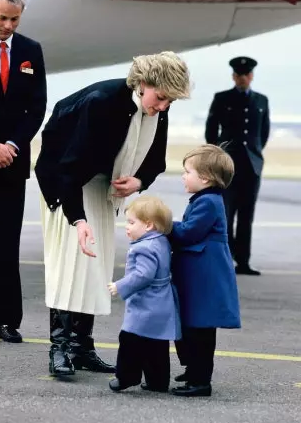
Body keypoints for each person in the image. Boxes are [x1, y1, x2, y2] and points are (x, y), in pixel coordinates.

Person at [35, 51, 190, 376]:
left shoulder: (156, 108)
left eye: (169, 102)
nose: (162, 106)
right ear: (144, 83)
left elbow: (155, 159)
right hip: (65, 181)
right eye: (160, 97)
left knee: (97, 262)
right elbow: (68, 167)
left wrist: (138, 180)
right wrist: (77, 219)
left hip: (101, 183)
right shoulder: (101, 102)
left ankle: (82, 347)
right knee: (70, 261)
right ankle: (59, 350)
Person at [0, 0, 47, 343]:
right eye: (3, 17)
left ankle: (5, 320)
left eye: (15, 19)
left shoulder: (30, 51)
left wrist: (11, 146)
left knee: (8, 243)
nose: (8, 25)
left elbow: (37, 107)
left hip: (13, 160)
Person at [169, 145, 241, 397]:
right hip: (199, 276)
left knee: (200, 331)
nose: (183, 176)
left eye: (187, 171)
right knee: (193, 328)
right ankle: (193, 372)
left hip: (205, 278)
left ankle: (201, 381)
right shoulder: (205, 199)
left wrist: (165, 225)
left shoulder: (208, 202)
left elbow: (188, 233)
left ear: (206, 178)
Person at [107, 196, 181, 393]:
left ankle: (126, 377)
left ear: (148, 225)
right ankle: (158, 381)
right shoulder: (161, 241)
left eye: (131, 222)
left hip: (146, 303)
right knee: (156, 343)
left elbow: (143, 275)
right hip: (162, 300)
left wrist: (120, 286)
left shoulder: (143, 248)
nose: (127, 227)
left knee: (130, 339)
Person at [205, 57, 270, 275]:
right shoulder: (222, 98)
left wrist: (256, 154)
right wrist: (216, 157)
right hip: (227, 167)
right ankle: (225, 259)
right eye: (239, 75)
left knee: (246, 216)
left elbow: (263, 133)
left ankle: (243, 262)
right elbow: (211, 130)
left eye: (246, 75)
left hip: (252, 167)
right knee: (225, 214)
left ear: (251, 76)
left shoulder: (262, 101)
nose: (242, 78)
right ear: (234, 77)